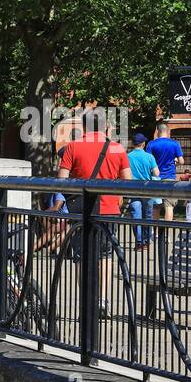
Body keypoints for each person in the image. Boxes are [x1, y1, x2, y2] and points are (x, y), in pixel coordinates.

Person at [58, 130, 133, 314]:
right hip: (108, 208)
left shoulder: (73, 146)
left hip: (80, 209)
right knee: (105, 256)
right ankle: (102, 300)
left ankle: (85, 301)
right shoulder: (116, 148)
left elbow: (61, 180)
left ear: (84, 127)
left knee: (80, 256)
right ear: (106, 129)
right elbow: (128, 181)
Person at [125, 134, 161, 249]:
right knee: (148, 216)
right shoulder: (149, 157)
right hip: (147, 189)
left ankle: (139, 241)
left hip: (132, 189)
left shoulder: (127, 156)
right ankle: (146, 241)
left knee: (136, 215)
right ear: (143, 144)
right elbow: (156, 173)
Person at [147, 124, 184, 221]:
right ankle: (166, 232)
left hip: (156, 178)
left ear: (157, 131)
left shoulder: (151, 144)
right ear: (168, 131)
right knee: (169, 206)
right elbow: (181, 161)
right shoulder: (175, 144)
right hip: (170, 177)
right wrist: (175, 163)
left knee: (156, 206)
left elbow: (148, 162)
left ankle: (156, 233)